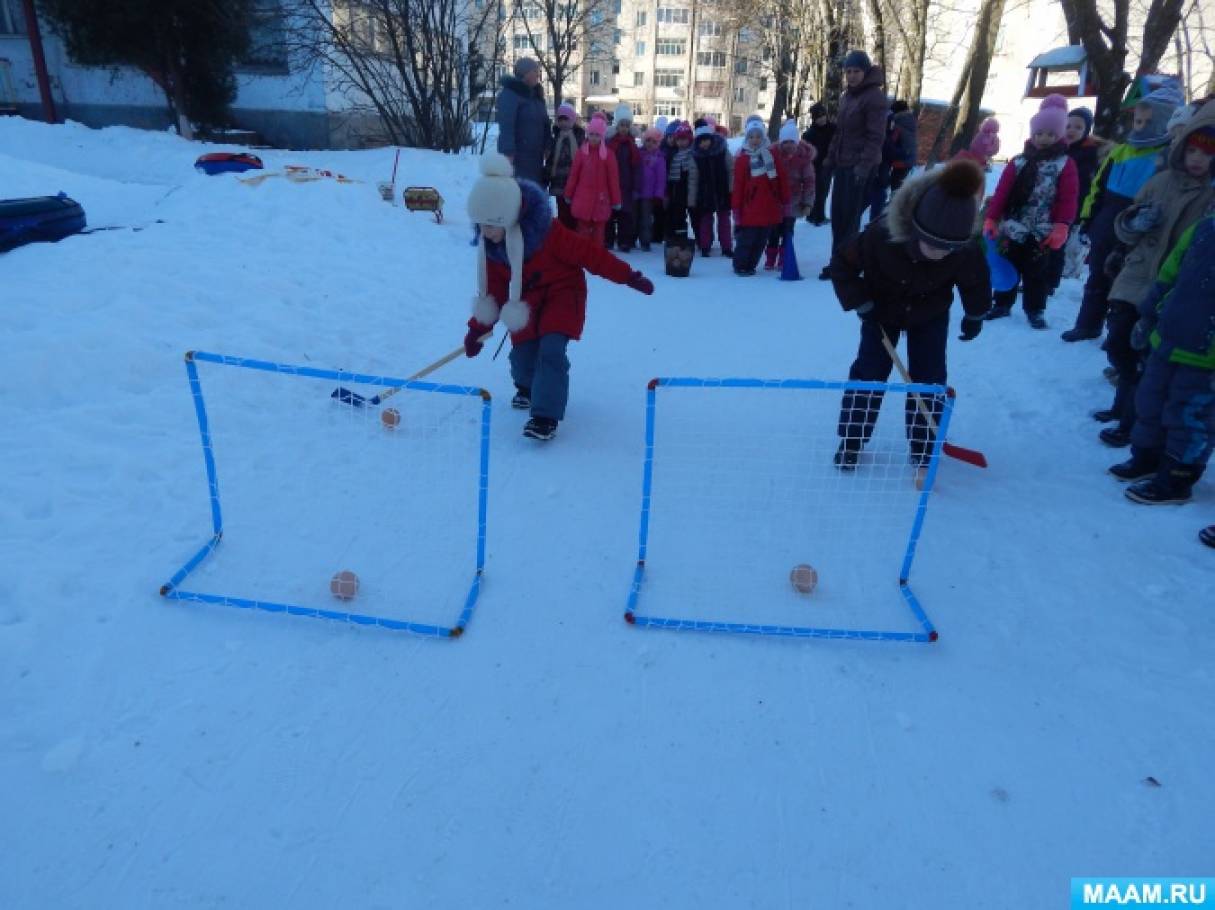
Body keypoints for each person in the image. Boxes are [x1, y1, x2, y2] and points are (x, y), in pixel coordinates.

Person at [463, 153, 654, 441]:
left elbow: (592, 256)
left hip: (564, 293)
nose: (484, 233)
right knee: (524, 354)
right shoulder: (492, 249)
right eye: (480, 225)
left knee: (551, 350)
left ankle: (544, 417)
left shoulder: (548, 233)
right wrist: (477, 330)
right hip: (525, 299)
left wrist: (629, 276)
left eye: (489, 226)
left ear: (507, 217)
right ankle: (527, 388)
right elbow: (495, 292)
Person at [830, 159, 992, 469]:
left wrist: (976, 314)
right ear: (916, 229)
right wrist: (861, 302)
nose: (942, 253)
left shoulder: (963, 249)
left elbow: (976, 280)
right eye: (934, 246)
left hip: (930, 313)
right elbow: (841, 266)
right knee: (869, 373)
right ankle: (852, 439)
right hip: (880, 311)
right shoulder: (881, 235)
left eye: (950, 249)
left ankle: (923, 446)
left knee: (929, 379)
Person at [1094, 108, 1215, 448]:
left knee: (1146, 354)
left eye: (1207, 154)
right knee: (1119, 342)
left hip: (1170, 288)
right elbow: (1125, 227)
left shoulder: (1210, 196)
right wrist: (1135, 223)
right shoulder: (1159, 181)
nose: (1197, 160)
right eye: (1192, 150)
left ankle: (1131, 420)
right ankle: (1121, 405)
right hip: (1135, 276)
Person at [1061, 81, 1183, 342]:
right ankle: (1088, 323)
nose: (1137, 127)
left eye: (1144, 122)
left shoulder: (1165, 158)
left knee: (1125, 282)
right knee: (1097, 275)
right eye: (1136, 121)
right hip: (1107, 218)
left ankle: (1117, 334)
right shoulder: (1120, 151)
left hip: (1138, 225)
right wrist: (1088, 217)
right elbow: (1098, 186)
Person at [1108, 212, 1215, 503]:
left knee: (1190, 415)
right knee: (1150, 401)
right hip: (1168, 335)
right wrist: (1148, 313)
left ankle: (1177, 476)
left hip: (1206, 354)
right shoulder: (1204, 227)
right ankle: (1147, 457)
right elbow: (1170, 273)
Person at [981, 94, 1079, 329]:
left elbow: (1068, 197)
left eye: (1050, 134)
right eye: (1039, 133)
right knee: (1008, 265)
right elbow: (1002, 192)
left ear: (1059, 136)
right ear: (1032, 134)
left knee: (1036, 272)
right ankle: (1002, 303)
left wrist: (1062, 224)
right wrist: (992, 218)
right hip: (1014, 225)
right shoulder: (1018, 162)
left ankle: (1035, 309)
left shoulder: (1065, 164)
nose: (1044, 139)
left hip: (1043, 229)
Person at [819, 50, 887, 280]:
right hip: (843, 164)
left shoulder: (874, 97)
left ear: (865, 71)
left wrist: (864, 166)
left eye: (856, 71)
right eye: (848, 71)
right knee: (838, 216)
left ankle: (847, 265)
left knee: (850, 219)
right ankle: (837, 260)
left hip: (860, 167)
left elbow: (876, 136)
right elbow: (840, 132)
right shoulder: (847, 96)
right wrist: (829, 159)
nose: (852, 75)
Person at [1048, 106, 1103, 293]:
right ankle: (1040, 276)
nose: (1072, 130)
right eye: (1068, 125)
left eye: (1078, 127)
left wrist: (1079, 212)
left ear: (1086, 131)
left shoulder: (1088, 155)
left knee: (1057, 246)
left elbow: (1084, 187)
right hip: (1051, 204)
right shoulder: (1058, 149)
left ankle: (1051, 282)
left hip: (1071, 208)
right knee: (1046, 243)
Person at [731, 115, 789, 276]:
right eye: (751, 137)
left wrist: (785, 200)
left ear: (763, 137)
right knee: (747, 239)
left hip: (769, 206)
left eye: (758, 136)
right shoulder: (743, 159)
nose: (755, 140)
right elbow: (738, 185)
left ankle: (751, 265)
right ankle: (740, 264)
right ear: (747, 138)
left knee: (761, 240)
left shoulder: (772, 155)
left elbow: (781, 178)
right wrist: (736, 207)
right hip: (749, 207)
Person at [564, 114, 620, 247]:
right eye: (591, 134)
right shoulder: (581, 153)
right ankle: (581, 253)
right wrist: (568, 193)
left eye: (597, 135)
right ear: (587, 134)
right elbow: (574, 175)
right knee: (582, 230)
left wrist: (616, 200)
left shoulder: (608, 155)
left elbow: (613, 180)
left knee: (599, 232)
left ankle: (596, 255)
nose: (594, 138)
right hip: (583, 199)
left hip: (601, 200)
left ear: (602, 136)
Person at [767, 119, 815, 270]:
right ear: (781, 143)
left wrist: (808, 203)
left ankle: (784, 257)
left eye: (791, 142)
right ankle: (770, 258)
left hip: (793, 201)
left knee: (788, 231)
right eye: (785, 142)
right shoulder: (773, 156)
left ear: (797, 142)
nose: (789, 145)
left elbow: (809, 182)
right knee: (773, 231)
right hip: (775, 201)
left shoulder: (803, 160)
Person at [496, 58, 550, 185]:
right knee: (520, 196)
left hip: (536, 159)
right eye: (535, 71)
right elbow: (506, 126)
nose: (538, 74)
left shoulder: (536, 97)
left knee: (534, 196)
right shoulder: (510, 95)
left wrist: (548, 145)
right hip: (518, 159)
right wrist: (508, 153)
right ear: (526, 73)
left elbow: (546, 124)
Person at [690, 120, 734, 256]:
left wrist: (732, 189)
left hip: (722, 191)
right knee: (706, 221)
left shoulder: (722, 152)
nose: (704, 144)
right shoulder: (696, 156)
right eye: (701, 141)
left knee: (724, 220)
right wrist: (691, 199)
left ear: (711, 139)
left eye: (706, 140)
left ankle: (726, 246)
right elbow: (693, 178)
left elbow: (731, 169)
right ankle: (705, 246)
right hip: (705, 193)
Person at [605, 103, 641, 252]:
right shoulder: (611, 144)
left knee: (625, 215)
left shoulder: (632, 145)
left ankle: (624, 241)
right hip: (611, 185)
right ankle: (608, 239)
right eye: (622, 125)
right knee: (609, 215)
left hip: (626, 185)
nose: (624, 128)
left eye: (627, 125)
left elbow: (636, 166)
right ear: (617, 126)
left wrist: (636, 185)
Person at [543, 103, 584, 229]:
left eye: (566, 119)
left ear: (572, 120)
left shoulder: (579, 137)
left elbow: (583, 157)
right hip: (559, 181)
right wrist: (547, 175)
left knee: (575, 210)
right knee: (562, 210)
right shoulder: (555, 138)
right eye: (560, 119)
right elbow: (550, 159)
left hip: (575, 181)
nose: (563, 123)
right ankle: (564, 233)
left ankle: (574, 234)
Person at [802, 103, 835, 226]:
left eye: (823, 116)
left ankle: (818, 215)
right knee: (816, 191)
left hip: (828, 165)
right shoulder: (809, 133)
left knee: (823, 191)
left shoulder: (833, 129)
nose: (821, 119)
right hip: (814, 166)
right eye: (818, 117)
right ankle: (814, 216)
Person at [636, 126, 668, 252]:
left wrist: (658, 194)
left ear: (658, 143)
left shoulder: (659, 158)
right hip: (637, 191)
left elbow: (661, 178)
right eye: (648, 140)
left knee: (646, 219)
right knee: (635, 217)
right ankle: (633, 237)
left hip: (649, 195)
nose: (650, 144)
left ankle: (645, 240)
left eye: (654, 142)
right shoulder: (639, 154)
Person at [665, 123, 698, 240]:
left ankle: (699, 238)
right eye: (678, 139)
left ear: (689, 140)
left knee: (693, 214)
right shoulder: (674, 153)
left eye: (684, 139)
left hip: (686, 186)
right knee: (677, 213)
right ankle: (677, 236)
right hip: (675, 186)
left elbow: (692, 172)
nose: (681, 142)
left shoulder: (692, 153)